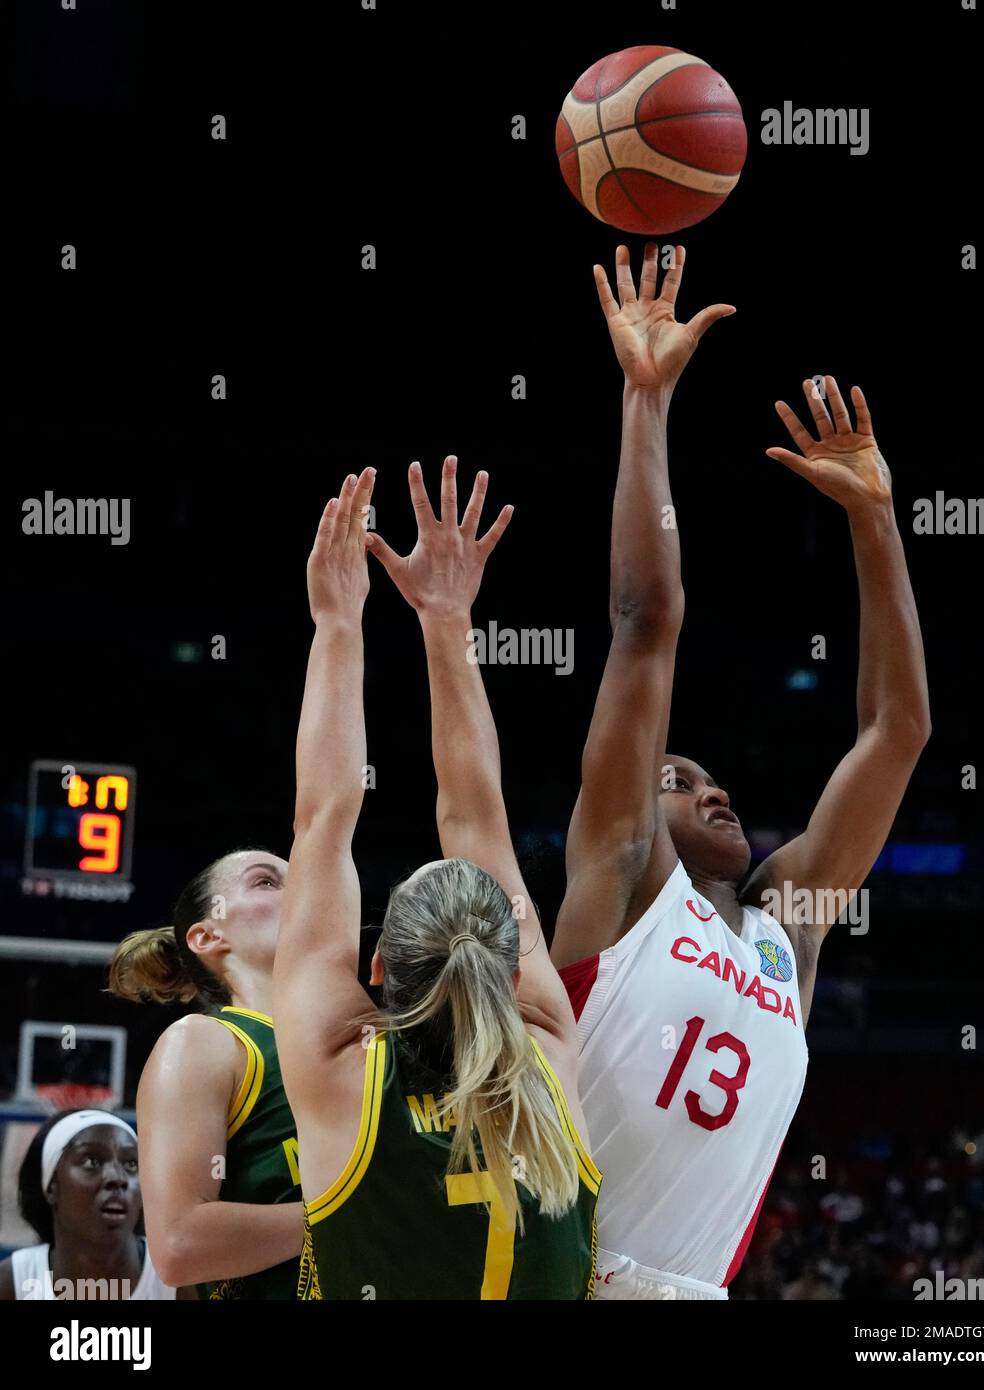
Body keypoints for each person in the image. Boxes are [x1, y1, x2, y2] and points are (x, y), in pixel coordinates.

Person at [551, 242, 930, 1300]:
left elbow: (895, 730)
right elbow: (643, 623)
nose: (711, 788)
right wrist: (644, 400)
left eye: (711, 777)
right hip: (557, 1278)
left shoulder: (788, 931)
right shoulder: (624, 878)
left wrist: (873, 520)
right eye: (679, 777)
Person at [275, 462, 600, 1299]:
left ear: (377, 966)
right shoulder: (550, 1058)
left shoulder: (344, 1075)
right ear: (510, 962)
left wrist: (337, 624)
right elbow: (475, 819)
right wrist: (446, 619)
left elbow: (325, 818)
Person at [109, 850, 304, 1298]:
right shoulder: (205, 1042)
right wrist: (348, 1210)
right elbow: (180, 1244)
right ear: (207, 936)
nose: (307, 890)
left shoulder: (368, 1039)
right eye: (266, 882)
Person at [0, 1108, 182, 1300]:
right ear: (51, 1186)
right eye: (92, 1162)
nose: (117, 1178)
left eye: (131, 1164)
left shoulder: (182, 1280)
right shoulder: (12, 1284)